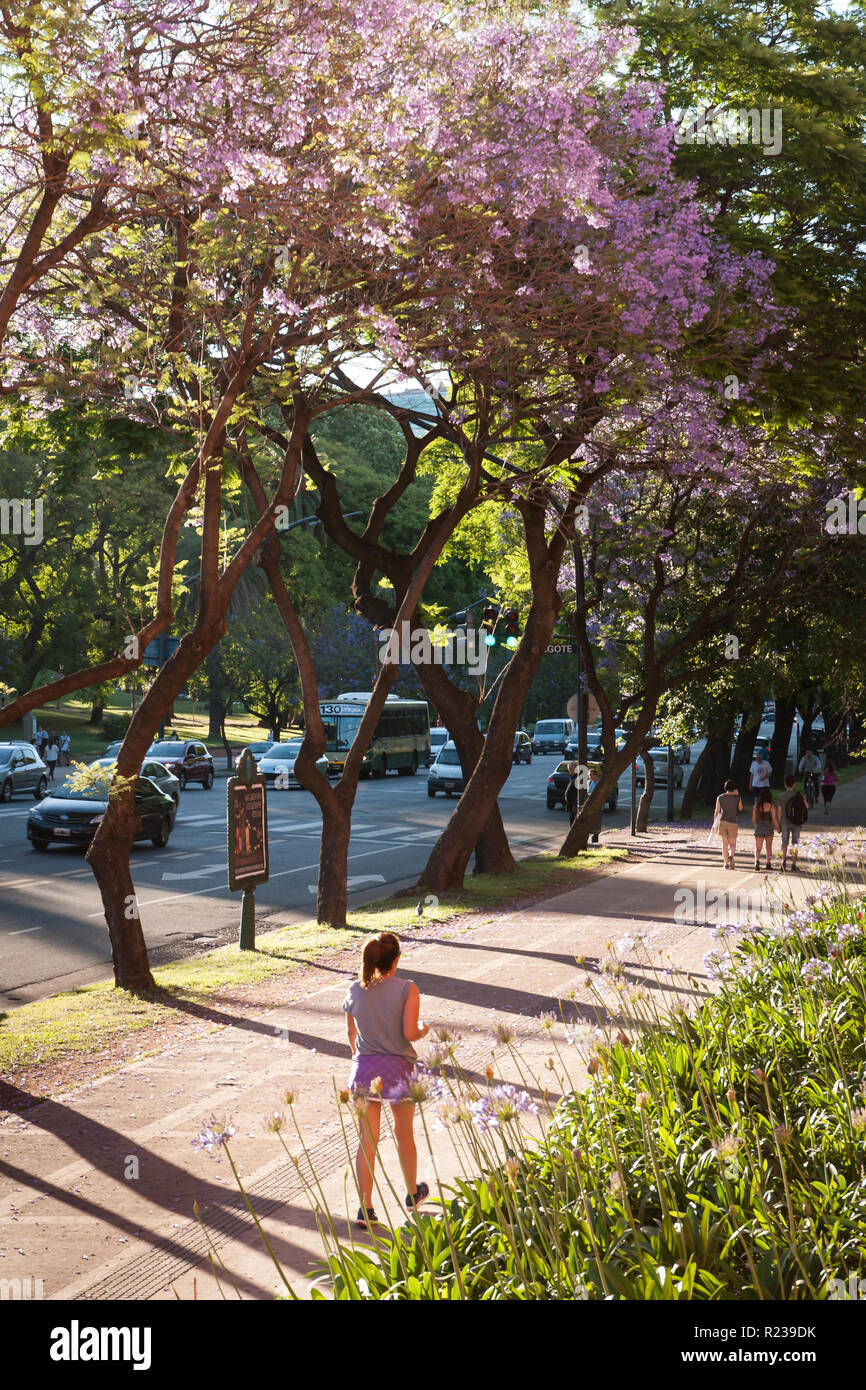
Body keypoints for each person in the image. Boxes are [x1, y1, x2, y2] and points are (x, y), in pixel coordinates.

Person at [342, 932, 430, 1230]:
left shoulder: (355, 989)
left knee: (368, 1140)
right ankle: (412, 1194)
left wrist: (360, 1057)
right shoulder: (408, 989)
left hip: (364, 1070)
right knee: (404, 1135)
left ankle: (365, 1208)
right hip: (399, 1069)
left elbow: (351, 1038)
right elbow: (409, 1033)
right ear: (397, 959)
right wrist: (423, 1029)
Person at [778, 773, 808, 872]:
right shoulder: (798, 795)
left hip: (784, 822)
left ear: (785, 784)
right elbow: (806, 807)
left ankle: (783, 861)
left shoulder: (781, 796)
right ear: (794, 784)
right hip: (796, 822)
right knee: (795, 843)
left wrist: (778, 824)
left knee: (784, 842)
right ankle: (794, 864)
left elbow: (779, 811)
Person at [714, 779, 742, 869]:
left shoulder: (720, 797)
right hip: (733, 822)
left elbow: (717, 811)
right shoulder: (737, 797)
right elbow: (740, 808)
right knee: (733, 843)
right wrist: (737, 796)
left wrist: (715, 824)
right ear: (734, 788)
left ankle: (725, 864)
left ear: (725, 787)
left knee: (724, 844)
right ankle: (731, 855)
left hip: (723, 822)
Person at [752, 787, 780, 870]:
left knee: (758, 848)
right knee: (768, 847)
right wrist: (778, 828)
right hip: (768, 827)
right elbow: (774, 819)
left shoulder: (756, 806)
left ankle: (756, 862)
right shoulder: (771, 806)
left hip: (759, 826)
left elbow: (753, 819)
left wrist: (756, 826)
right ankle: (768, 863)